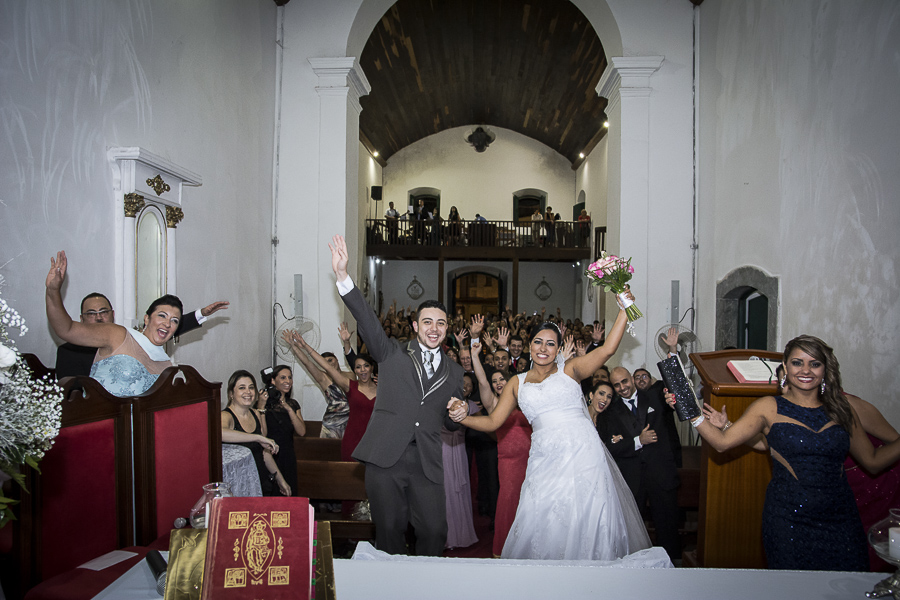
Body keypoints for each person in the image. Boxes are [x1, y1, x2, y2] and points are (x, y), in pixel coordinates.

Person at [448, 292, 651, 560]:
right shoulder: (517, 382)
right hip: (545, 457)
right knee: (543, 514)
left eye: (551, 344)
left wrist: (625, 308)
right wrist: (463, 418)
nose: (543, 348)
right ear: (530, 345)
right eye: (538, 342)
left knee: (587, 514)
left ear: (558, 349)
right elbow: (494, 421)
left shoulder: (571, 370)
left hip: (583, 452)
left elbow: (608, 349)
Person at [676, 335, 900, 571]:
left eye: (815, 363)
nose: (806, 370)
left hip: (841, 519)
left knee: (846, 587)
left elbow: (873, 462)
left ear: (826, 369)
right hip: (788, 520)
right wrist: (691, 411)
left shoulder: (842, 408)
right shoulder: (768, 407)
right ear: (785, 367)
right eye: (797, 362)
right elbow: (723, 443)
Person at [329, 234, 463, 556]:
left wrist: (458, 414)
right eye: (427, 322)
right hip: (386, 457)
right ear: (415, 326)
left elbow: (451, 421)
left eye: (440, 323)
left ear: (447, 329)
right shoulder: (391, 354)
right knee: (389, 532)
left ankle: (426, 587)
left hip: (427, 461)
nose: (434, 328)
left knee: (434, 530)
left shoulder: (455, 372)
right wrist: (344, 277)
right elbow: (368, 321)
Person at [46, 251, 180, 397]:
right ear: (147, 319)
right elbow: (67, 329)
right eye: (162, 316)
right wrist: (53, 291)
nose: (167, 323)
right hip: (101, 416)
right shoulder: (119, 334)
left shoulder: (167, 363)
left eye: (174, 321)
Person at [55, 292, 228, 379]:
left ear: (113, 314)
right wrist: (53, 291)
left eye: (103, 312)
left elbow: (158, 331)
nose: (99, 317)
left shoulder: (127, 337)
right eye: (91, 313)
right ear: (81, 318)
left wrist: (201, 314)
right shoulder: (70, 350)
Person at [603, 366, 681, 560]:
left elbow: (677, 395)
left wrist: (673, 352)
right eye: (617, 385)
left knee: (667, 527)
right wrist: (638, 440)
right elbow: (611, 449)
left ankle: (672, 569)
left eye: (625, 381)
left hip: (660, 474)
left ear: (632, 378)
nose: (622, 388)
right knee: (631, 532)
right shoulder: (610, 412)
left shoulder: (655, 398)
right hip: (632, 480)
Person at [285, 331, 375, 463]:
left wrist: (346, 342)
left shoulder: (351, 376)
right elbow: (310, 364)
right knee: (333, 464)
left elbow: (358, 364)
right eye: (326, 362)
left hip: (359, 427)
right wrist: (299, 346)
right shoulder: (329, 379)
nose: (329, 364)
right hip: (334, 426)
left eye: (331, 360)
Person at [221, 370, 290, 496]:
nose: (248, 392)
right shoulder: (226, 415)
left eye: (251, 388)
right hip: (238, 485)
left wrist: (281, 480)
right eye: (242, 388)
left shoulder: (255, 413)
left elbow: (265, 453)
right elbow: (220, 433)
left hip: (260, 480)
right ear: (231, 393)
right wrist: (258, 438)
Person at [256, 364, 305, 495]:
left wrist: (288, 408)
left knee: (290, 491)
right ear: (273, 381)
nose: (287, 381)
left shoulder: (293, 404)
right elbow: (262, 434)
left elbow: (301, 431)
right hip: (270, 455)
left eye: (289, 377)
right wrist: (261, 406)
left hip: (288, 455)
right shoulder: (262, 404)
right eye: (283, 377)